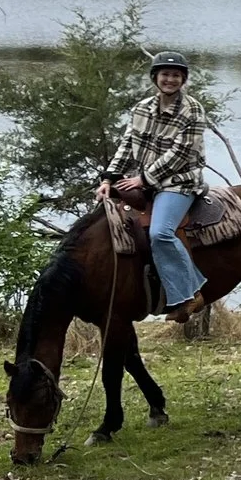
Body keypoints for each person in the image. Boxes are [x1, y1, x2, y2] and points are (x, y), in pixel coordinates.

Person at [99, 50, 213, 321]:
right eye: (165, 74)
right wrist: (108, 179)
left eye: (176, 75)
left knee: (160, 233)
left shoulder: (192, 109)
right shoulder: (141, 108)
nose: (170, 80)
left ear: (183, 80)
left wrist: (144, 179)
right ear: (155, 77)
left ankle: (189, 294)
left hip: (179, 182)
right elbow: (127, 145)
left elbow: (182, 152)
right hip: (147, 182)